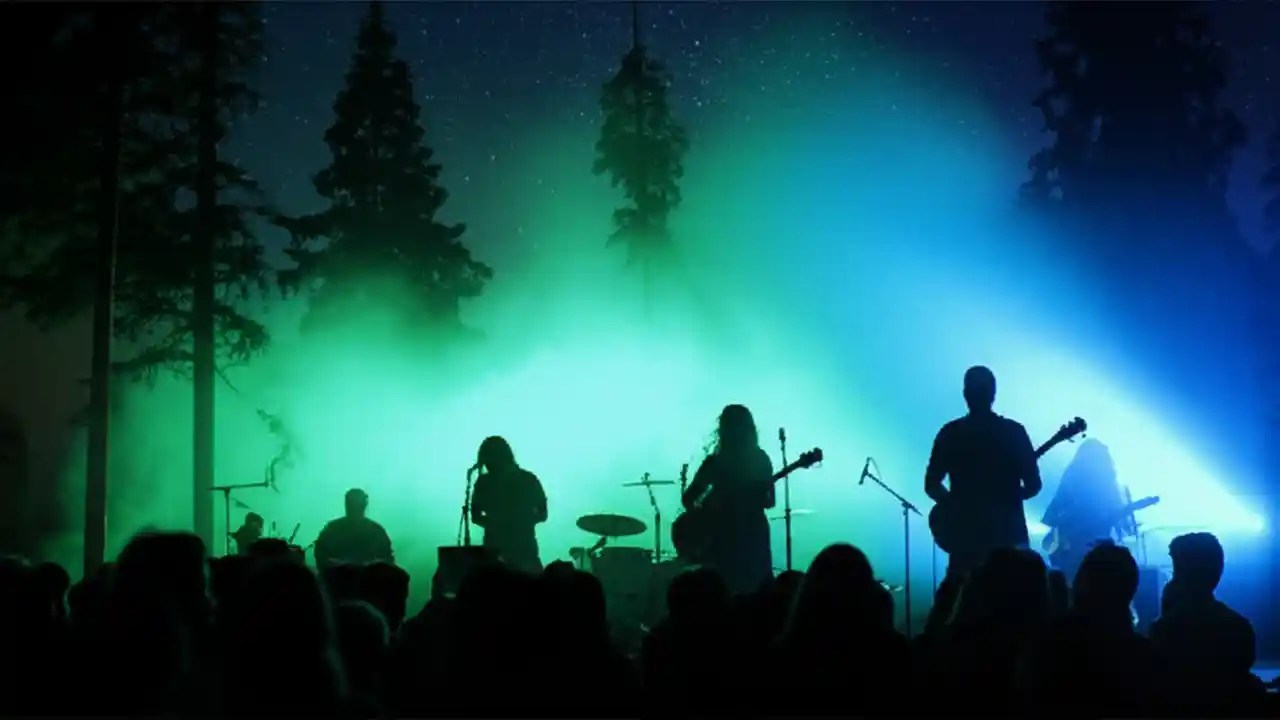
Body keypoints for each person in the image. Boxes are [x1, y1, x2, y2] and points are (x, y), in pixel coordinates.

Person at [925, 365, 1042, 578]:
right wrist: (1011, 495)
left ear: (965, 394)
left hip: (966, 540)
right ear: (993, 394)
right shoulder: (1014, 432)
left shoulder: (951, 433)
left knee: (962, 592)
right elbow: (1034, 486)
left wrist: (956, 505)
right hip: (1009, 536)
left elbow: (931, 484)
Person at [681, 404, 775, 595]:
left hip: (731, 538)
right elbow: (770, 502)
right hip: (743, 537)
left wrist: (705, 515)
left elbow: (688, 499)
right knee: (755, 593)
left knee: (723, 594)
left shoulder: (716, 462)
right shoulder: (759, 459)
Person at [1040, 439, 1128, 581]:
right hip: (1088, 539)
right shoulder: (1104, 477)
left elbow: (1057, 505)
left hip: (1077, 539)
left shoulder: (1074, 473)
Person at [471, 436, 547, 574]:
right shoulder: (528, 479)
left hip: (508, 548)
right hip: (516, 548)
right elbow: (542, 513)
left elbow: (475, 516)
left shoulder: (484, 483)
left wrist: (498, 523)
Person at [313, 489, 394, 571]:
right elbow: (388, 559)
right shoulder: (376, 530)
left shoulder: (332, 528)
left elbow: (387, 559)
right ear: (365, 505)